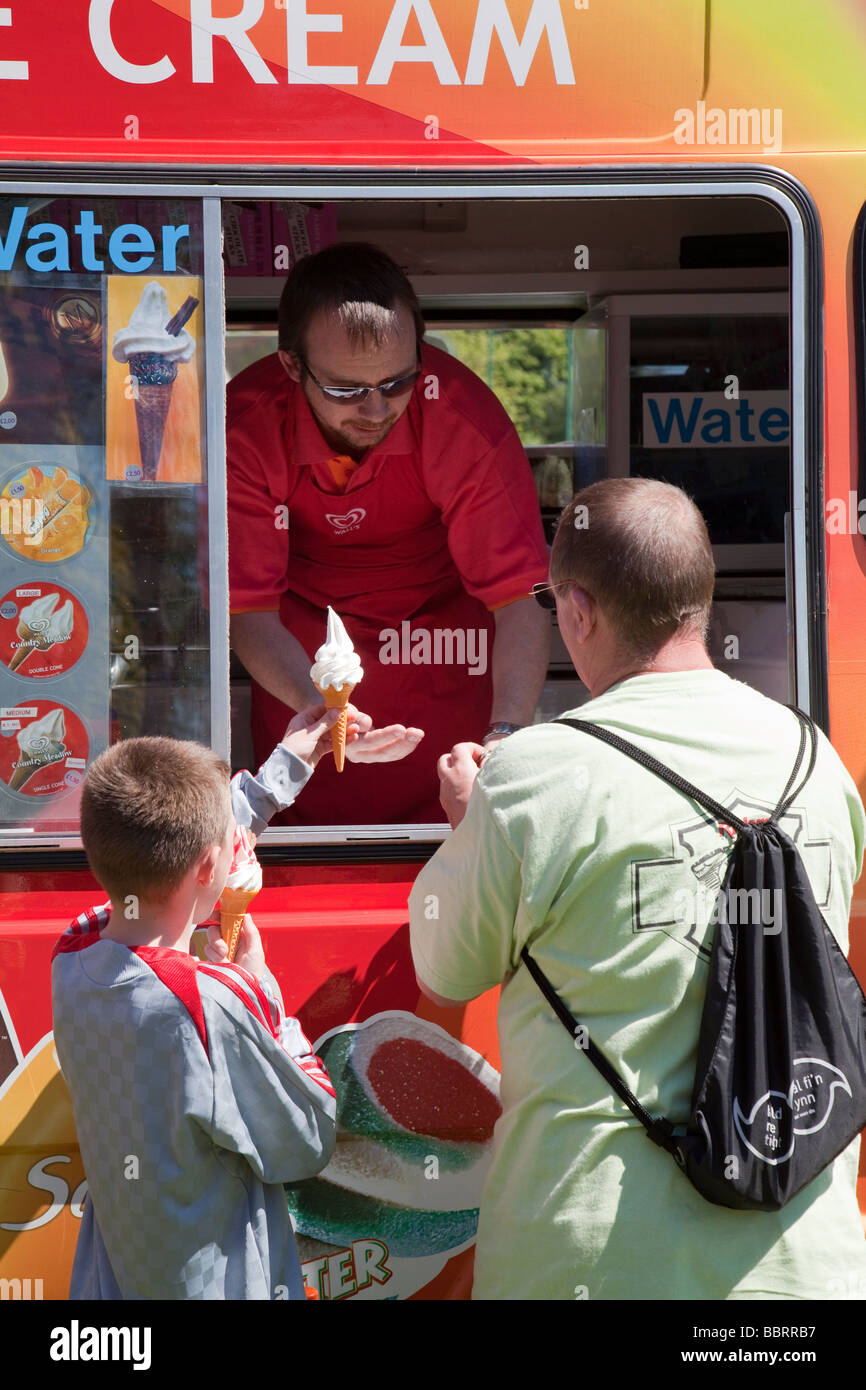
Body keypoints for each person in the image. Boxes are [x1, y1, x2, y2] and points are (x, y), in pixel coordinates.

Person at [409, 477, 866, 1300]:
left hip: (590, 1262)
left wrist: (467, 826)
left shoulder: (531, 779)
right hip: (806, 1270)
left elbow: (445, 968)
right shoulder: (817, 759)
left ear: (578, 609)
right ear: (700, 599)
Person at [227, 242, 550, 825]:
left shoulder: (460, 416)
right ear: (291, 367)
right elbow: (248, 610)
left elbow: (519, 597)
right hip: (301, 651)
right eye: (347, 390)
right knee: (309, 848)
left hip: (447, 650)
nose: (375, 410)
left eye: (397, 383)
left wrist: (505, 738)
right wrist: (319, 707)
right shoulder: (245, 427)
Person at [51, 705, 344, 1300]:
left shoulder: (72, 955)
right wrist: (262, 992)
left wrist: (282, 772)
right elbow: (308, 1136)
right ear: (212, 863)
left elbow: (158, 848)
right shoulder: (210, 1002)